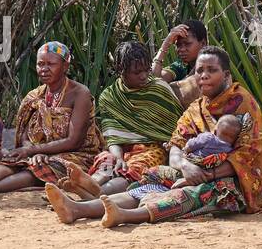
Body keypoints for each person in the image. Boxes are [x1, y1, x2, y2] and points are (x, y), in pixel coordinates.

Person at [44, 47, 262, 227]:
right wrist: (184, 166)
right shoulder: (196, 108)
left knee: (192, 192)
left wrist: (205, 175)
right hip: (193, 170)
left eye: (211, 70)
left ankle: (127, 215)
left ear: (227, 75)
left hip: (236, 184)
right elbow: (175, 144)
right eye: (199, 70)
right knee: (155, 176)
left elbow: (247, 156)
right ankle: (77, 209)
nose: (203, 76)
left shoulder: (243, 104)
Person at [65, 41, 184, 197]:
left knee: (132, 169)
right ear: (121, 70)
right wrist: (118, 157)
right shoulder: (110, 96)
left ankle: (95, 193)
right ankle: (89, 184)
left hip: (155, 149)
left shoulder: (159, 89)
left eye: (146, 70)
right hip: (122, 149)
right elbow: (113, 137)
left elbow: (175, 130)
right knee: (107, 161)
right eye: (136, 72)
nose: (143, 76)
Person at [0, 41, 103, 193]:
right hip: (36, 152)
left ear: (65, 66)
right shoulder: (34, 96)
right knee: (14, 160)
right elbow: (25, 135)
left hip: (76, 155)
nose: (44, 69)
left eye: (50, 64)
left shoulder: (79, 93)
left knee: (39, 168)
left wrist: (35, 151)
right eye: (40, 64)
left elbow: (74, 141)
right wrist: (30, 150)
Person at [152, 20, 208, 108]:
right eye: (178, 45)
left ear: (203, 43)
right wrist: (166, 43)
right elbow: (154, 80)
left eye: (187, 44)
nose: (181, 49)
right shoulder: (181, 66)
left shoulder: (215, 65)